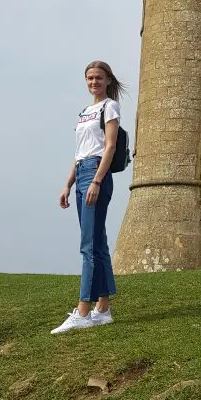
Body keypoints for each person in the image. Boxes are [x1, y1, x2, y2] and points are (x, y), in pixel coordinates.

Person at [51, 61, 125, 334]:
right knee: (98, 243)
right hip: (82, 171)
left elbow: (110, 145)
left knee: (88, 246)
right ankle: (103, 309)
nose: (94, 82)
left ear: (107, 81)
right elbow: (79, 151)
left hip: (96, 172)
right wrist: (67, 184)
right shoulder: (84, 112)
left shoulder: (110, 106)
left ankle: (83, 311)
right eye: (90, 78)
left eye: (99, 78)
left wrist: (96, 180)